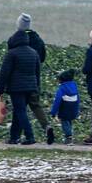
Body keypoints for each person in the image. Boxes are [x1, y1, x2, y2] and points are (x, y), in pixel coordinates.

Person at [0, 29, 42, 145]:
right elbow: (37, 73)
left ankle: (30, 136)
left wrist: (0, 89)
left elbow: (4, 73)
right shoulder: (34, 53)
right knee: (18, 112)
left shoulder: (11, 54)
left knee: (20, 111)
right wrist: (37, 87)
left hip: (16, 88)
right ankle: (14, 137)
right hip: (31, 87)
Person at [14, 13, 55, 144]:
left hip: (19, 80)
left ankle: (18, 136)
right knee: (36, 106)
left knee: (20, 108)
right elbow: (42, 58)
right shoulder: (38, 40)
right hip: (34, 79)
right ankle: (46, 126)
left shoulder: (16, 40)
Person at [49, 70, 80, 144]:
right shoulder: (74, 86)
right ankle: (69, 136)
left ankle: (68, 137)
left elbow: (57, 101)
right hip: (74, 107)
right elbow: (78, 98)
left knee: (64, 122)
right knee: (69, 121)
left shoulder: (62, 88)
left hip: (65, 107)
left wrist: (53, 112)